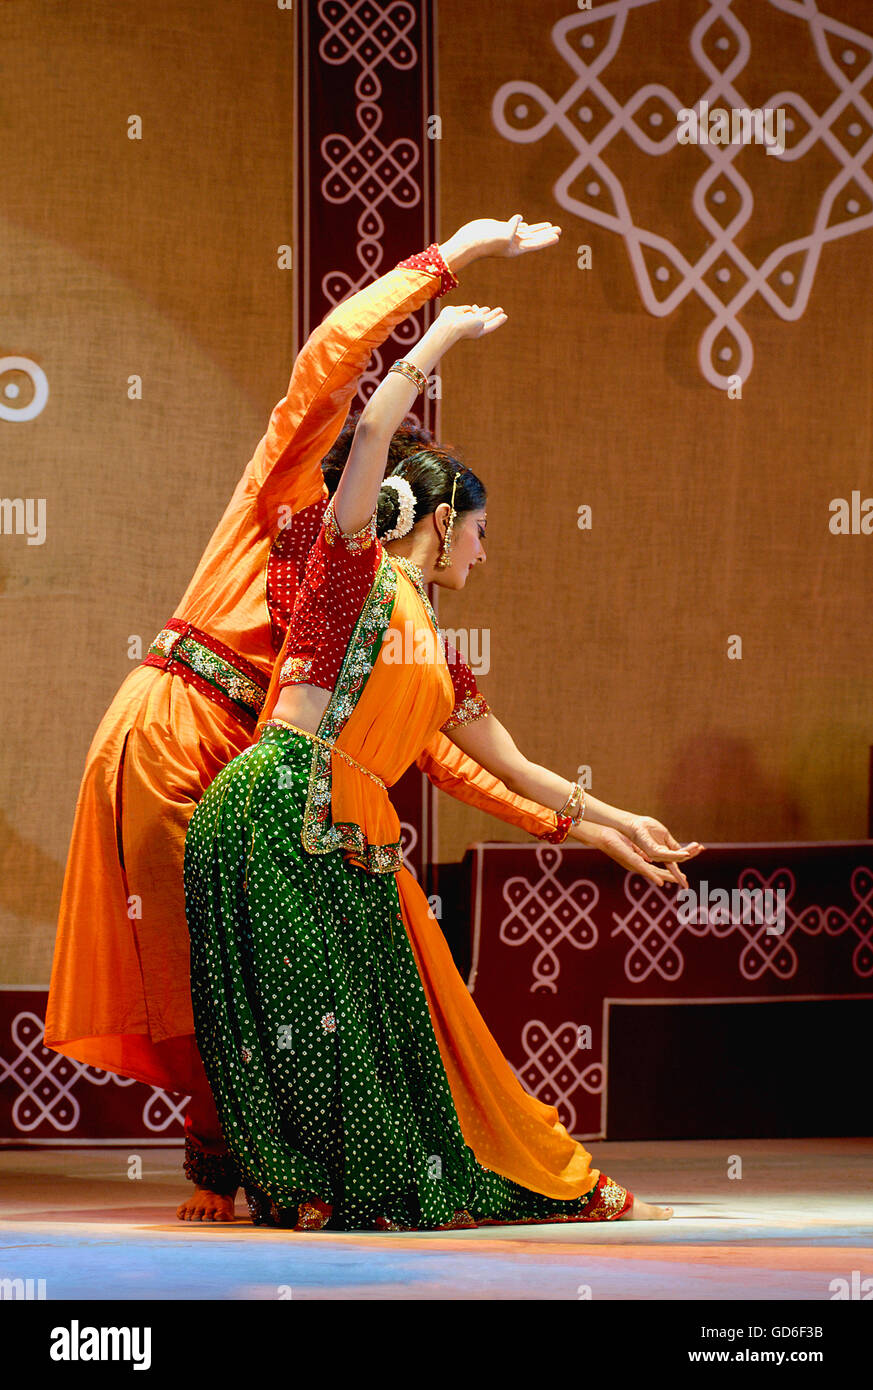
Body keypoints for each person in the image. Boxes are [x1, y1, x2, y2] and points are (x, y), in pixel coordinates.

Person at [44, 213, 673, 1222]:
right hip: (195, 728)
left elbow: (453, 751)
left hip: (300, 781)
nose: (485, 553)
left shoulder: (402, 620)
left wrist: (596, 822)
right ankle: (235, 1151)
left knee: (333, 992)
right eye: (478, 531)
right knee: (214, 973)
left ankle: (317, 1168)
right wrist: (448, 271)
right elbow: (342, 376)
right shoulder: (315, 520)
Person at [183, 296, 704, 1231]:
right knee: (314, 1025)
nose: (484, 551)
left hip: (341, 839)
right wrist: (441, 336)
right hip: (272, 811)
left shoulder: (435, 644)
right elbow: (376, 420)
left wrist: (618, 826)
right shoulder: (351, 570)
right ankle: (311, 1190)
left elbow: (511, 764)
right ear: (436, 518)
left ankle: (331, 1193)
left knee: (369, 1029)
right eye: (478, 529)